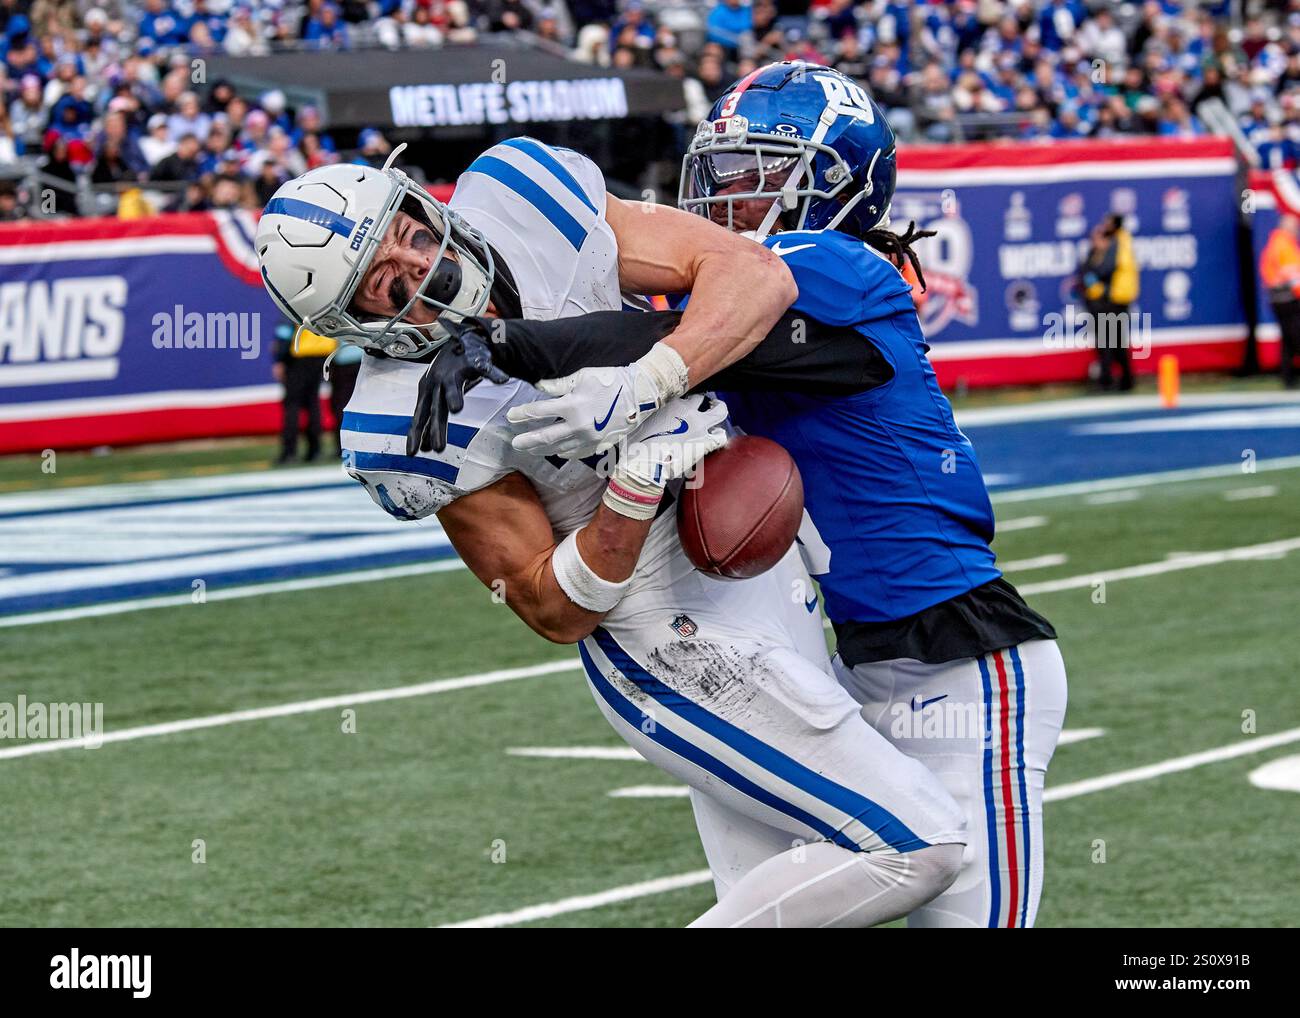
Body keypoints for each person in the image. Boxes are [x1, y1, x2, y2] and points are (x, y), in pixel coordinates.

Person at [255, 136, 967, 928]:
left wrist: (648, 381)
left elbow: (750, 273)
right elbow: (551, 608)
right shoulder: (406, 423)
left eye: (412, 234)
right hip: (664, 637)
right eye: (387, 284)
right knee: (920, 843)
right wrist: (629, 489)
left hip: (762, 567)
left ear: (422, 199)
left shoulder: (525, 196)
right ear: (357, 328)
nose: (425, 268)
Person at [432, 62, 1068, 927]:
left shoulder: (835, 264)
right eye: (720, 171)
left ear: (841, 182)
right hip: (857, 659)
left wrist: (504, 340)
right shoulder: (737, 293)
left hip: (967, 659)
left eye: (759, 170)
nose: (730, 193)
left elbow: (650, 331)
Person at [1080, 212, 1139, 392]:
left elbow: (1104, 270)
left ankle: (1116, 379)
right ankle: (1119, 379)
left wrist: (1099, 287)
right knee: (1110, 341)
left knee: (1112, 341)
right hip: (1112, 299)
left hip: (1113, 300)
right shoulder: (1120, 242)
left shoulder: (1118, 243)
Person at [271, 322, 331, 464]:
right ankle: (315, 450)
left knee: (292, 404)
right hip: (322, 352)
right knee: (312, 404)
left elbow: (284, 332)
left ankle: (289, 452)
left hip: (299, 354)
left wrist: (279, 359)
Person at [1259, 213, 1300, 388]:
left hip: (1278, 299)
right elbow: (1294, 276)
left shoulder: (1274, 244)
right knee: (1295, 337)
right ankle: (1288, 377)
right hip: (1288, 299)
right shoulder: (1284, 245)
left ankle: (1287, 377)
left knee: (1288, 340)